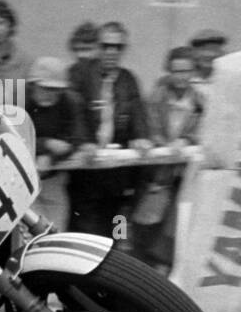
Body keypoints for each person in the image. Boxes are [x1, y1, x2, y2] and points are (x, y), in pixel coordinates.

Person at [67, 21, 152, 243]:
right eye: (106, 46)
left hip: (117, 176)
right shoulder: (80, 74)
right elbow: (74, 112)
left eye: (117, 47)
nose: (111, 52)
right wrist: (83, 141)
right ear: (97, 46)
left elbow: (138, 112)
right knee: (86, 235)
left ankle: (114, 270)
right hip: (87, 172)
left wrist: (141, 137)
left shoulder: (128, 79)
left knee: (117, 231)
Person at [137, 46, 205, 271]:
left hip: (186, 176)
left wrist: (186, 139)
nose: (181, 77)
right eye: (176, 71)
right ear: (168, 71)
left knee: (179, 229)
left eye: (186, 71)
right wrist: (159, 142)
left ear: (193, 72)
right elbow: (150, 126)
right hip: (159, 174)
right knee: (150, 225)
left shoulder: (200, 101)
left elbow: (204, 129)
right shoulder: (156, 97)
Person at [25, 57, 85, 231]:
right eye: (45, 88)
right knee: (30, 236)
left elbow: (77, 137)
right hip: (22, 179)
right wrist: (46, 145)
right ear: (33, 84)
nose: (51, 94)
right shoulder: (18, 99)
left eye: (56, 90)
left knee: (57, 233)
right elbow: (10, 137)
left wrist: (49, 156)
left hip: (54, 179)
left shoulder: (70, 101)